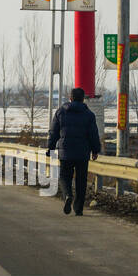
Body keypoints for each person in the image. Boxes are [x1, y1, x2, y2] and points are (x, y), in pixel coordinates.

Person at [46, 87, 101, 216]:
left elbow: (53, 132)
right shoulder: (89, 115)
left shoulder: (61, 112)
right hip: (82, 153)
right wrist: (95, 150)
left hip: (65, 152)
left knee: (65, 177)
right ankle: (78, 208)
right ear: (83, 99)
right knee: (81, 180)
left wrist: (50, 147)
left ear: (70, 98)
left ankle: (67, 195)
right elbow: (93, 134)